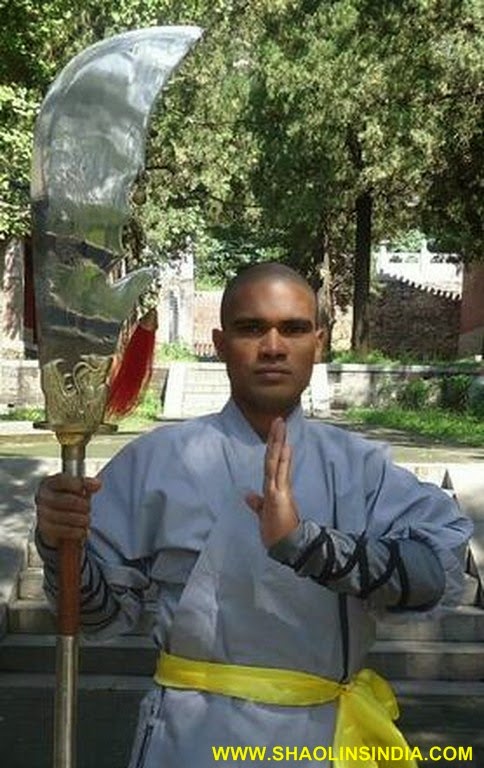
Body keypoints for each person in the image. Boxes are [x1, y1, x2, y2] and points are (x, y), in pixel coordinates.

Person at [35, 262, 472, 768]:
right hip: (192, 739)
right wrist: (59, 543)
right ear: (220, 345)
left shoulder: (362, 467)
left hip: (323, 739)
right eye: (250, 328)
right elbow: (96, 616)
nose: (272, 346)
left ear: (318, 342)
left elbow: (436, 573)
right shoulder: (156, 460)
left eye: (292, 328)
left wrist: (308, 545)